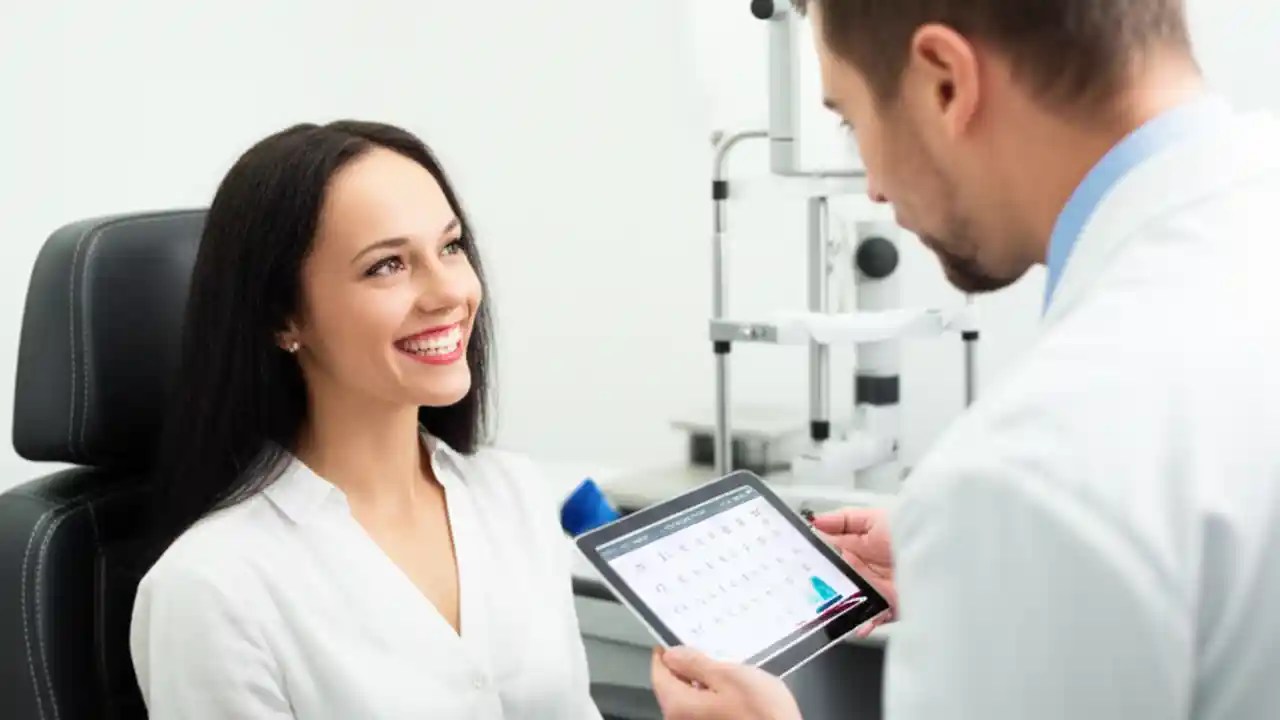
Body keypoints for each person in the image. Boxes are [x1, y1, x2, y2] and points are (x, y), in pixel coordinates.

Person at [653, 0, 1280, 717]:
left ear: (945, 82)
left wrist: (996, 541)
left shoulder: (1029, 468)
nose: (875, 186)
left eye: (852, 120)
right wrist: (985, 577)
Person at [130, 121, 601, 719]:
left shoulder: (515, 496)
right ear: (283, 319)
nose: (448, 293)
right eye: (387, 266)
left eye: (450, 247)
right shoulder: (212, 588)